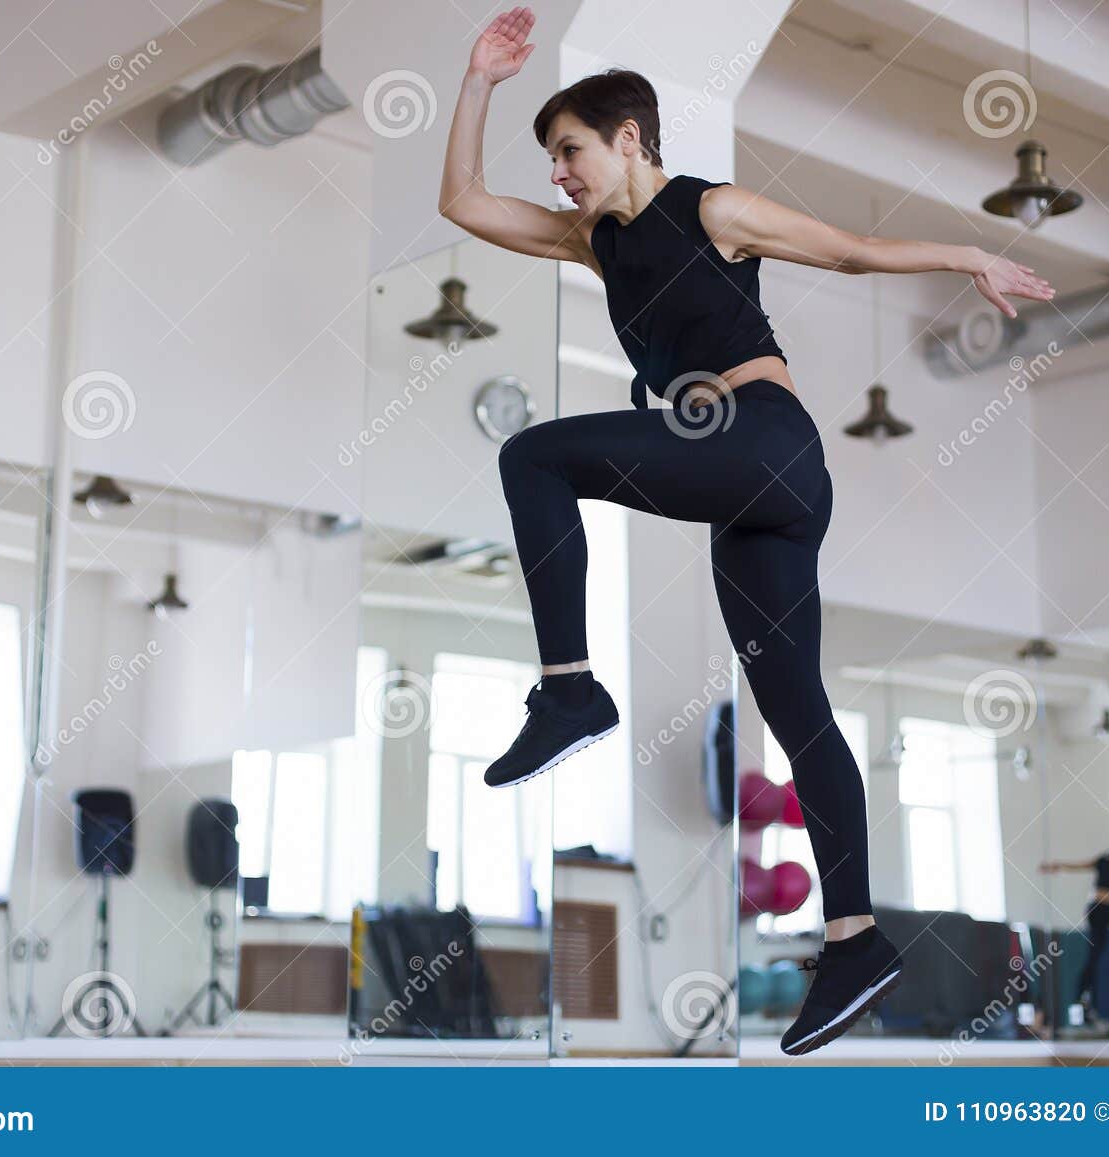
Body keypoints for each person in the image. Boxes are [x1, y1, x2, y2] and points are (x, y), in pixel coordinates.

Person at [437, 7, 1053, 1054]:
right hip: (751, 489)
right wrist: (476, 81)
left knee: (530, 455)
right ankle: (855, 937)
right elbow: (459, 200)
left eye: (570, 151)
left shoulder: (708, 207)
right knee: (794, 706)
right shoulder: (594, 242)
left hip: (760, 438)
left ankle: (571, 690)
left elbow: (851, 252)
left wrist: (967, 256)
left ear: (628, 138)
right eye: (551, 161)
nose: (560, 175)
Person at [1040, 829, 1109, 1020]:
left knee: (1099, 951)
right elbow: (1082, 866)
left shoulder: (1107, 858)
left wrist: (1056, 866)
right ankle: (1083, 996)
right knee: (1095, 955)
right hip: (1102, 910)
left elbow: (1081, 866)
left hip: (1103, 908)